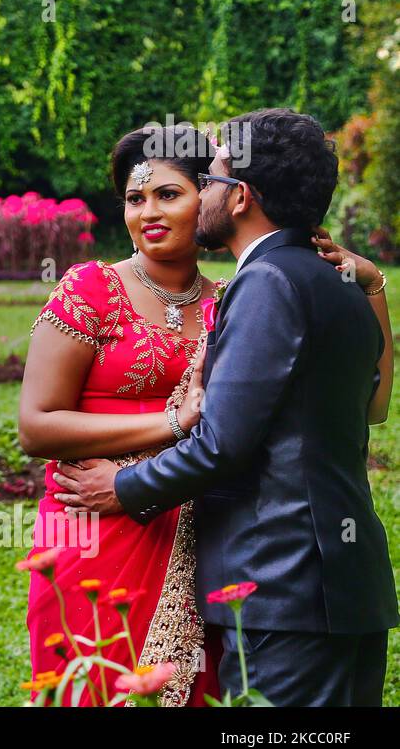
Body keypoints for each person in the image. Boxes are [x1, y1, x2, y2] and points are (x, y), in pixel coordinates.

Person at [54, 108, 396, 706]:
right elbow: (370, 408)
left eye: (207, 179)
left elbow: (222, 443)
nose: (202, 191)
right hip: (348, 588)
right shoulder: (345, 282)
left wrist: (125, 486)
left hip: (283, 589)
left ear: (239, 197)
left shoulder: (264, 283)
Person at [17, 125, 223, 706]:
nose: (148, 213)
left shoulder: (231, 300)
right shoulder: (90, 289)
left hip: (198, 528)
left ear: (207, 198)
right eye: (136, 199)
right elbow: (37, 425)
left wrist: (368, 283)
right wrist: (174, 423)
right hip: (90, 530)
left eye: (168, 195)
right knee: (90, 682)